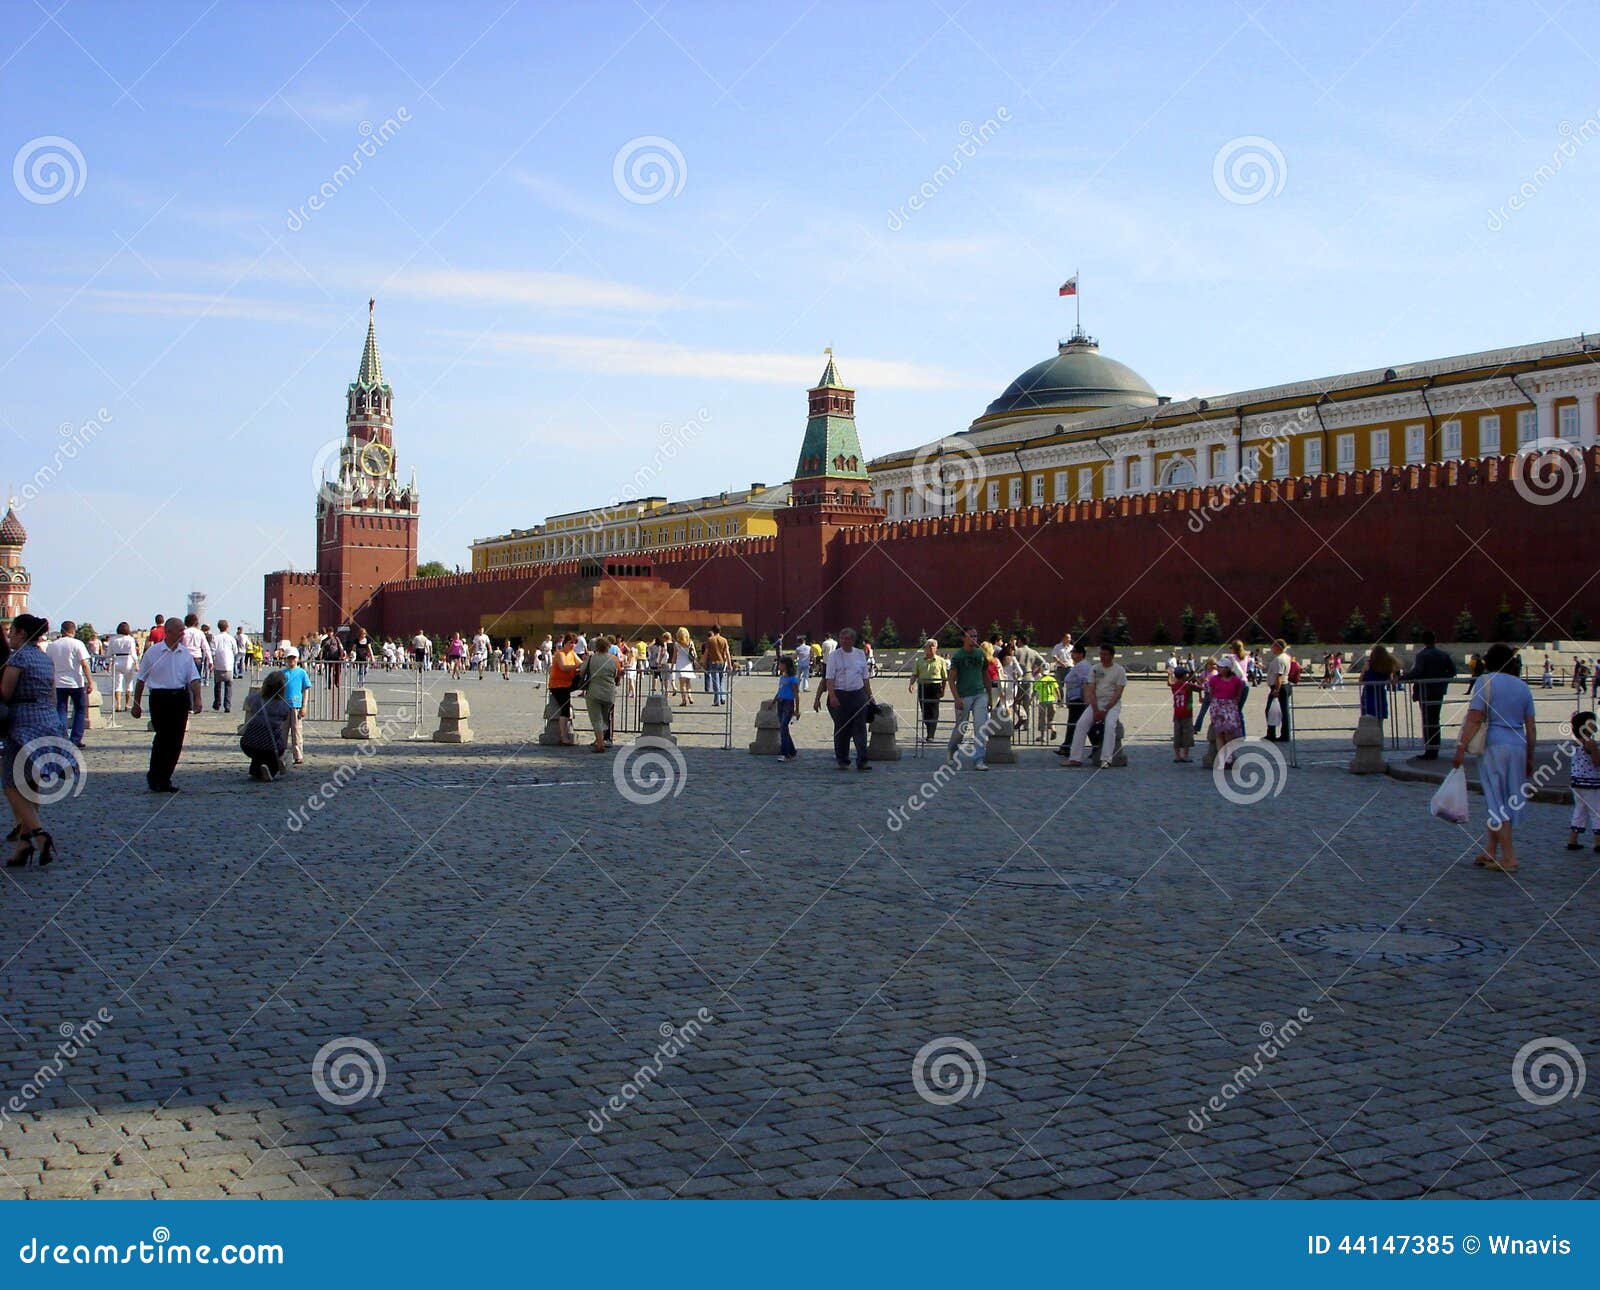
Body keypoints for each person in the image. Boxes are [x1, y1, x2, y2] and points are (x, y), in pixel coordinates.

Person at [1455, 643, 1536, 874]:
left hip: (1494, 746)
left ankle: (1509, 857)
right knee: (1507, 797)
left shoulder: (1485, 681)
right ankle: (1490, 849)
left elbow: (1475, 717)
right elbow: (1531, 726)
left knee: (1495, 800)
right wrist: (1530, 756)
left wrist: (1461, 745)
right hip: (1518, 746)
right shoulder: (1523, 687)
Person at [2, 614, 68, 867]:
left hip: (22, 726)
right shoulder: (43, 658)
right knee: (32, 785)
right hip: (47, 722)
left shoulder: (17, 658)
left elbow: (6, 693)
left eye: (12, 632)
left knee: (10, 784)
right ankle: (23, 845)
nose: (9, 636)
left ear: (20, 633)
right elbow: (51, 694)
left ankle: (40, 835)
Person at [130, 615, 203, 793]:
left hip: (179, 697)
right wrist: (136, 703)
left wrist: (198, 699)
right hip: (159, 698)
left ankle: (166, 777)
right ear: (168, 632)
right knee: (162, 738)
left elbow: (193, 679)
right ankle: (155, 776)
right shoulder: (153, 652)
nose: (183, 632)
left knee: (176, 740)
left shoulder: (185, 653)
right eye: (180, 630)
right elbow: (141, 680)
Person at [817, 627, 873, 770]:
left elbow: (865, 678)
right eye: (842, 639)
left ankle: (862, 760)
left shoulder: (860, 654)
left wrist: (870, 696)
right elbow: (829, 679)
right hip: (840, 694)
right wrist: (833, 696)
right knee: (842, 729)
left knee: (860, 728)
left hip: (858, 694)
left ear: (853, 641)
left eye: (848, 639)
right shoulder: (834, 656)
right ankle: (843, 759)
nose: (845, 641)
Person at [1064, 644, 1128, 767]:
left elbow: (1118, 693)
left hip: (1112, 704)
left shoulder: (1119, 670)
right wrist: (1095, 708)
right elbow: (1090, 690)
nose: (1102, 657)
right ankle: (1075, 758)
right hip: (1096, 702)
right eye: (1101, 654)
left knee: (1110, 725)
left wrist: (1105, 710)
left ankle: (1106, 759)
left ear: (1111, 656)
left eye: (1105, 654)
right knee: (1081, 724)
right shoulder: (1095, 669)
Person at [1399, 631, 1458, 760]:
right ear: (1434, 640)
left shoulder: (1422, 655)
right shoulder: (1443, 654)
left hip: (1425, 691)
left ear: (1423, 641)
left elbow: (1417, 671)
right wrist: (1442, 681)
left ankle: (1430, 750)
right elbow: (1453, 671)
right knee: (1435, 720)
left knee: (1427, 721)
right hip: (1438, 691)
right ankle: (1434, 749)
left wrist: (1401, 678)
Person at [946, 627, 994, 770]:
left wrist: (990, 696)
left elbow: (985, 675)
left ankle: (978, 759)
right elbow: (951, 679)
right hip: (964, 695)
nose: (975, 638)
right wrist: (957, 698)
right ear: (964, 638)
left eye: (976, 635)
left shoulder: (980, 654)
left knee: (981, 727)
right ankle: (951, 748)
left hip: (980, 694)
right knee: (962, 727)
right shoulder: (958, 656)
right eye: (971, 636)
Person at [239, 669, 294, 781]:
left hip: (249, 743)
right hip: (271, 745)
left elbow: (248, 702)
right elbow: (284, 716)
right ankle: (272, 771)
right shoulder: (282, 705)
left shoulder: (256, 699)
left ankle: (256, 770)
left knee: (258, 754)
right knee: (277, 750)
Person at [46, 620, 93, 749]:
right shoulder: (77, 644)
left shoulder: (52, 645)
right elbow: (84, 664)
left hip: (57, 682)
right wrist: (90, 681)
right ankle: (75, 739)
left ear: (62, 631)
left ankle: (61, 737)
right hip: (75, 682)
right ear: (73, 630)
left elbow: (48, 665)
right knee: (79, 709)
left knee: (60, 709)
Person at [1565, 711, 1600, 853]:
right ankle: (1598, 842)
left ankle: (1573, 840)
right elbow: (1597, 762)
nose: (1596, 724)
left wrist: (1572, 718)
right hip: (1590, 782)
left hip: (1577, 781)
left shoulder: (1576, 741)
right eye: (1593, 722)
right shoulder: (1590, 743)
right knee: (1596, 811)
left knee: (1580, 810)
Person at [576, 636, 618, 752]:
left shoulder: (591, 658)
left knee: (596, 719)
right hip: (609, 692)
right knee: (604, 718)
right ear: (608, 647)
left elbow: (582, 672)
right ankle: (601, 740)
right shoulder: (614, 659)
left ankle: (600, 743)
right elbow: (616, 674)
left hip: (594, 691)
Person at [1205, 654, 1247, 766]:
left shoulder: (1236, 681)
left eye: (1221, 667)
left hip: (1230, 706)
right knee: (1219, 733)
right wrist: (1215, 703)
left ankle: (1229, 754)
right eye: (1218, 666)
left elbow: (1239, 694)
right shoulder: (1214, 679)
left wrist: (1232, 703)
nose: (1218, 668)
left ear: (1228, 668)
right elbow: (1211, 693)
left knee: (1229, 732)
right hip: (1217, 706)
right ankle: (1222, 757)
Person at [908, 639, 948, 741]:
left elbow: (944, 677)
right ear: (925, 648)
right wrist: (911, 684)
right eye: (928, 646)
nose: (930, 648)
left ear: (936, 648)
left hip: (935, 687)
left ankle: (931, 735)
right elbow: (915, 674)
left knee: (934, 711)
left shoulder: (941, 661)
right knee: (925, 711)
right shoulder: (919, 661)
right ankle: (928, 727)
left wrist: (943, 690)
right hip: (923, 687)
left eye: (932, 646)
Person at [279, 647, 311, 765]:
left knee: (297, 732)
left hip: (296, 706)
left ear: (297, 659)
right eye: (289, 658)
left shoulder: (302, 672)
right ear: (286, 659)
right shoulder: (282, 674)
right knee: (282, 732)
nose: (291, 660)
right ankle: (280, 754)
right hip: (283, 707)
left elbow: (306, 690)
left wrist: (304, 706)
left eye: (293, 658)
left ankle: (298, 755)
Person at [1056, 644, 1090, 755]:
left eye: (1074, 652)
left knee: (1075, 723)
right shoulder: (1079, 665)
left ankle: (1067, 746)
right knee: (1076, 723)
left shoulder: (1082, 666)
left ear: (1080, 654)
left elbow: (1085, 682)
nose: (1072, 654)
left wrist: (1086, 700)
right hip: (1075, 698)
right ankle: (1067, 746)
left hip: (1079, 699)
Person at [548, 633, 581, 745]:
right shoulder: (560, 653)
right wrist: (577, 667)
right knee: (565, 709)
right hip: (558, 685)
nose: (572, 645)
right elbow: (563, 667)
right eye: (570, 643)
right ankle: (563, 736)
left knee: (583, 677)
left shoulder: (572, 653)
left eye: (574, 643)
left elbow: (580, 663)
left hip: (568, 683)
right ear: (565, 643)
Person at [1264, 638, 1294, 742]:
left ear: (1278, 647)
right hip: (1284, 686)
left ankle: (1273, 734)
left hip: (1279, 687)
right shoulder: (1286, 657)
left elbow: (1279, 676)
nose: (1272, 648)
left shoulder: (1279, 659)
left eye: (1273, 645)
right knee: (1283, 711)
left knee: (1271, 710)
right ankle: (1284, 734)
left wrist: (1276, 690)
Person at [1170, 665, 1200, 763]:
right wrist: (1196, 679)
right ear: (1184, 675)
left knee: (1177, 734)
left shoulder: (1174, 686)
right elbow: (1201, 688)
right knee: (1187, 735)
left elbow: (1170, 683)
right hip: (1187, 714)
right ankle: (1185, 755)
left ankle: (1177, 756)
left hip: (1177, 713)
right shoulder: (1188, 685)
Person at [108, 621, 139, 713]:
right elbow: (133, 652)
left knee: (117, 685)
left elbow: (109, 653)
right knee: (129, 684)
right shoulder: (130, 639)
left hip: (116, 660)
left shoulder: (113, 639)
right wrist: (136, 662)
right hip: (128, 661)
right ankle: (127, 704)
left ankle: (118, 704)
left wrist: (108, 663)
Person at [774, 656, 800, 760]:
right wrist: (773, 701)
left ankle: (784, 753)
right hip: (780, 702)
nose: (779, 666)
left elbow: (796, 694)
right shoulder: (782, 677)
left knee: (784, 727)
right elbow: (779, 690)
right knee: (783, 728)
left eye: (781, 664)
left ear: (786, 665)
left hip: (788, 703)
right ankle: (792, 751)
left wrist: (797, 709)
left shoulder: (793, 679)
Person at [209, 618, 238, 712]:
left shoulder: (215, 638)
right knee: (228, 685)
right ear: (227, 627)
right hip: (229, 664)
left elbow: (212, 650)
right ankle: (227, 705)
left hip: (218, 663)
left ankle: (217, 703)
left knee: (217, 685)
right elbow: (235, 651)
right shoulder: (231, 638)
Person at [1033, 666, 1060, 743]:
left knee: (1042, 719)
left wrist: (1032, 698)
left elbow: (1035, 691)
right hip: (1052, 700)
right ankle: (1053, 729)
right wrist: (1059, 699)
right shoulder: (1052, 679)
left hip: (1042, 701)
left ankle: (1043, 737)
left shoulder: (1040, 680)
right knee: (1051, 718)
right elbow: (1057, 690)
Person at [705, 625, 730, 706]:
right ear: (720, 631)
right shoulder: (724, 640)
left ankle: (717, 701)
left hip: (713, 662)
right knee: (721, 681)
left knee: (715, 682)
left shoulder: (710, 640)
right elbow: (727, 653)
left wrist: (702, 662)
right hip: (722, 662)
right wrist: (730, 665)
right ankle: (722, 698)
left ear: (712, 631)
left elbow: (706, 653)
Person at [672, 627, 696, 706]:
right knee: (688, 682)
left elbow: (674, 657)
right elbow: (695, 655)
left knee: (682, 684)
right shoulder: (690, 642)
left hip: (680, 664)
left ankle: (684, 700)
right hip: (688, 663)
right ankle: (689, 696)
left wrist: (672, 666)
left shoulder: (676, 644)